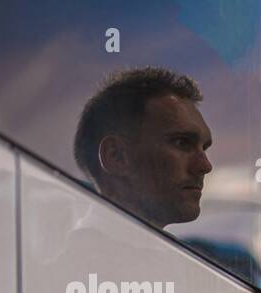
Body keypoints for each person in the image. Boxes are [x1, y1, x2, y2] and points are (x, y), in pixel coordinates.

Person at [73, 66, 212, 229]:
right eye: (182, 142)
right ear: (116, 156)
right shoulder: (83, 246)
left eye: (204, 148)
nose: (205, 166)